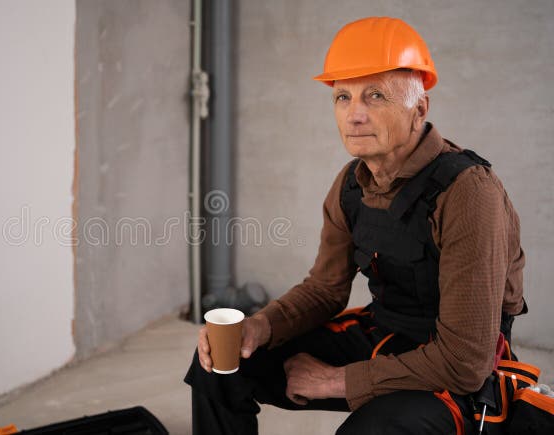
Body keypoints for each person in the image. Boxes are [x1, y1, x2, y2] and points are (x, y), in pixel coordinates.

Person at [184, 16, 526, 435]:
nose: (354, 115)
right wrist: (260, 325)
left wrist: (333, 380)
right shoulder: (351, 184)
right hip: (385, 334)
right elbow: (325, 289)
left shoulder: (468, 193)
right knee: (221, 364)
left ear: (419, 109)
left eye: (375, 95)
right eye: (342, 97)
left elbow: (465, 362)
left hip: (457, 372)